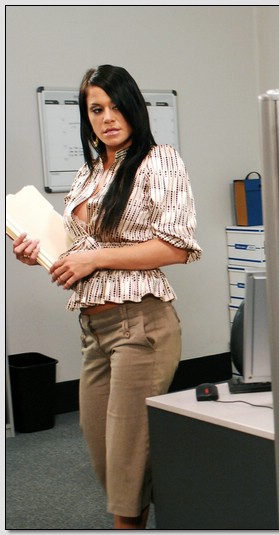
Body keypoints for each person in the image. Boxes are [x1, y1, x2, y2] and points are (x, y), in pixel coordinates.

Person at [12, 64, 202, 529]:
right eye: (96, 109)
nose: (107, 117)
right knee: (103, 454)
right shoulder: (89, 172)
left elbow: (176, 247)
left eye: (116, 106)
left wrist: (94, 260)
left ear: (133, 105)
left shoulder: (161, 161)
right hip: (94, 330)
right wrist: (35, 252)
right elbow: (78, 248)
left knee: (126, 474)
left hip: (140, 325)